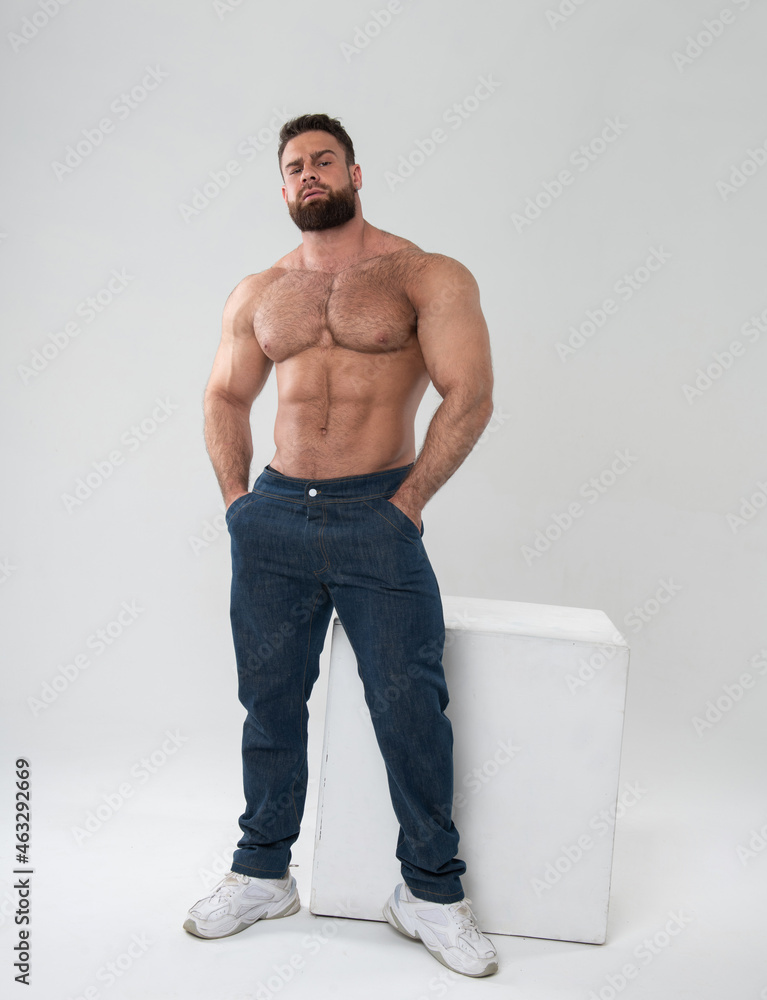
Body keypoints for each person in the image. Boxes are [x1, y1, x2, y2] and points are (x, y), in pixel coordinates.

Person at [183, 113, 497, 978]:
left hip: (376, 514)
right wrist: (238, 503)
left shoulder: (423, 273)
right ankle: (261, 873)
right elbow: (222, 396)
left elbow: (468, 393)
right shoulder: (258, 291)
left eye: (325, 161)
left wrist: (407, 503)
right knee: (269, 705)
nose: (310, 175)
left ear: (356, 173)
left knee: (408, 710)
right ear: (282, 188)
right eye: (295, 167)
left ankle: (431, 893)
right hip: (275, 516)